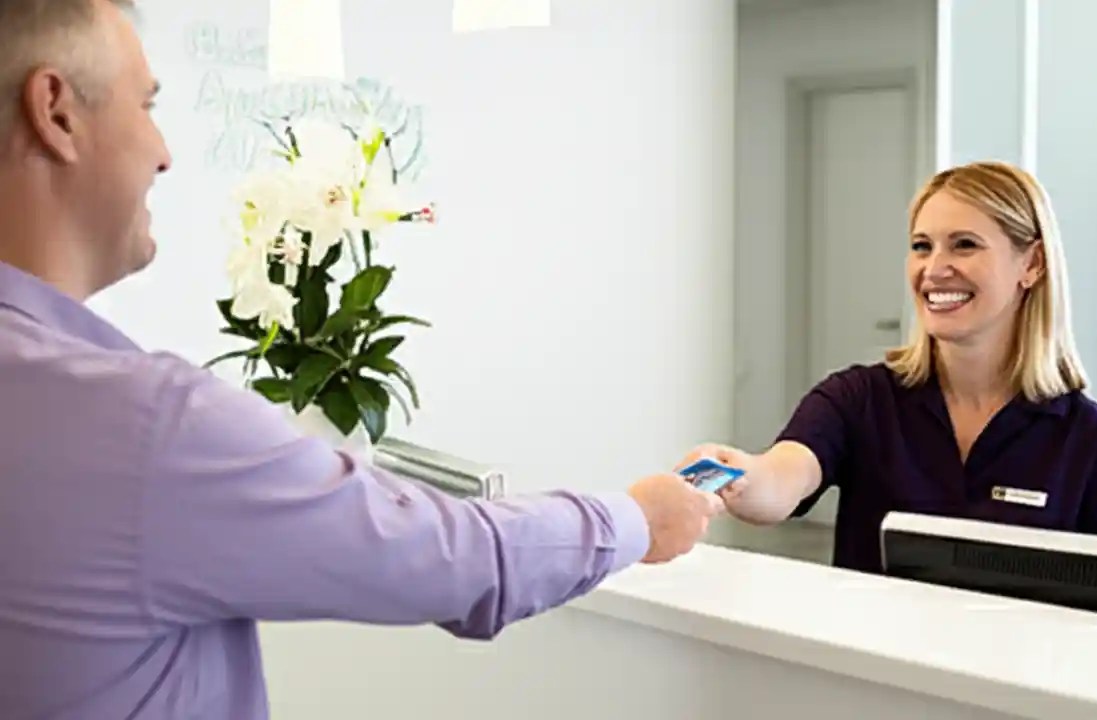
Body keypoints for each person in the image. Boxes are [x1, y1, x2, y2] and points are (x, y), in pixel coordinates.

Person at [0, 2, 722, 718]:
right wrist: (636, 519)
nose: (163, 151)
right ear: (56, 112)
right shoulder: (143, 425)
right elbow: (455, 558)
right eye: (147, 104)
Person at [681, 160, 1097, 574]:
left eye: (964, 245)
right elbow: (782, 479)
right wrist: (728, 474)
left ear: (1033, 263)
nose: (935, 268)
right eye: (922, 246)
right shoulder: (857, 400)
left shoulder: (1094, 441)